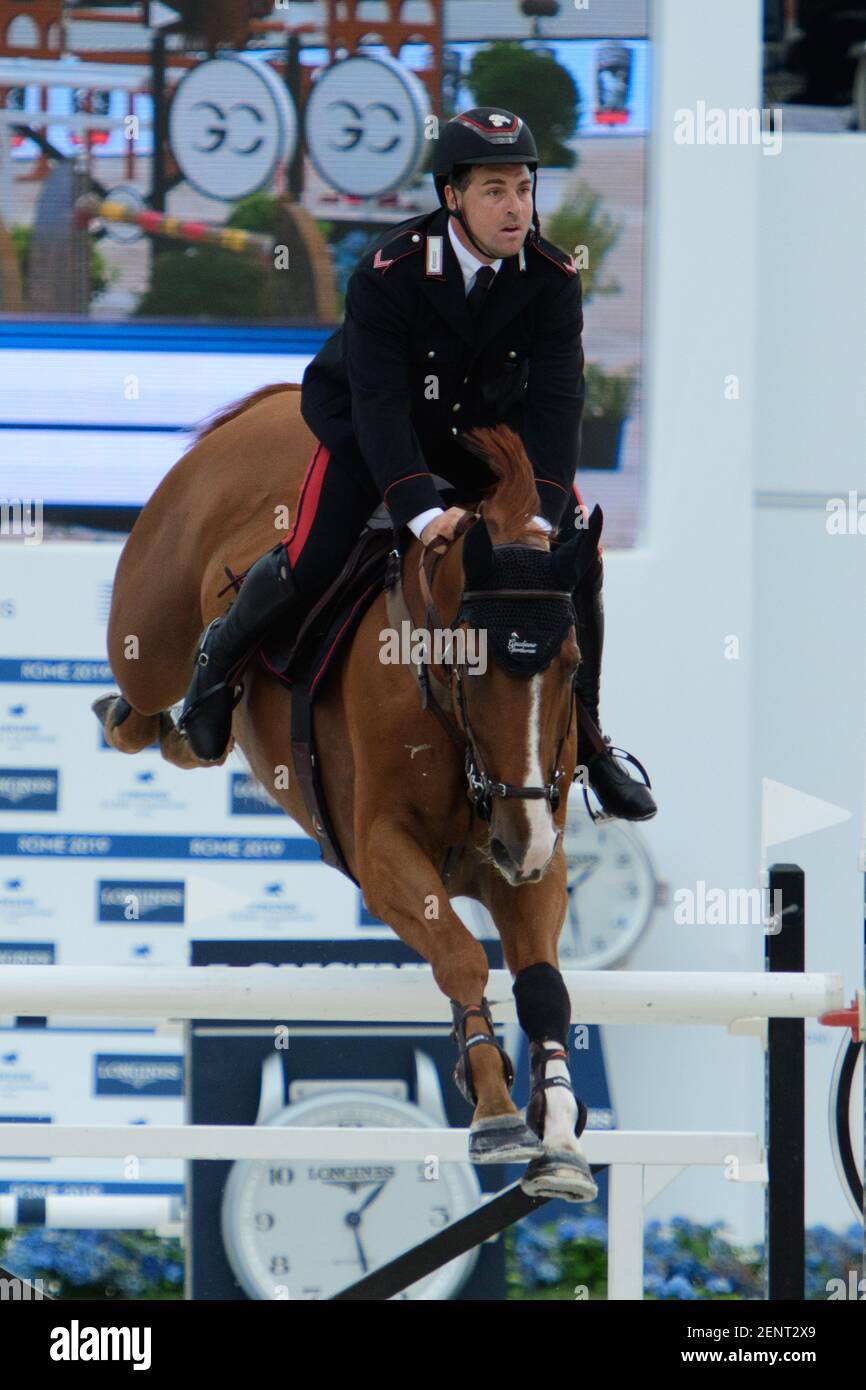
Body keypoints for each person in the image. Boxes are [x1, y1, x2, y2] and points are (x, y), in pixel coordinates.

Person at [178, 106, 656, 822]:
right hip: (374, 434)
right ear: (452, 196)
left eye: (524, 189)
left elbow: (559, 409)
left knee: (575, 564)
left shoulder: (553, 278)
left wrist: (536, 519)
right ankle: (217, 670)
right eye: (494, 190)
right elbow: (378, 406)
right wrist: (421, 512)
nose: (515, 207)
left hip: (485, 447)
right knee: (312, 556)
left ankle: (591, 745)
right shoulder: (389, 272)